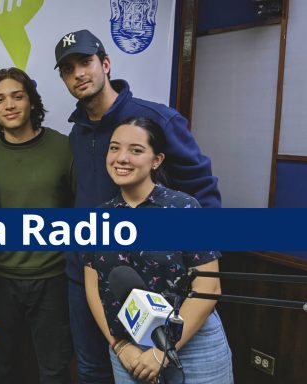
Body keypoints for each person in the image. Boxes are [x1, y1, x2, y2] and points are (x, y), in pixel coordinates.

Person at [53, 29, 222, 383]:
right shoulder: (77, 134)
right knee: (94, 368)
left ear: (106, 64)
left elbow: (202, 192)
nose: (79, 74)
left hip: (161, 282)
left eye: (86, 62)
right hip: (89, 274)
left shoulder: (156, 119)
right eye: (68, 69)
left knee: (165, 366)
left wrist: (201, 267)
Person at [84, 117, 233, 383]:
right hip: (129, 348)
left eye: (136, 150)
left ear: (157, 160)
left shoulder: (184, 208)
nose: (122, 158)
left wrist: (162, 351)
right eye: (115, 148)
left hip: (192, 344)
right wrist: (119, 345)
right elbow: (94, 288)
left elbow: (209, 289)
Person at [0, 67, 74, 384]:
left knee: (54, 368)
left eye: (17, 96)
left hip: (53, 278)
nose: (9, 105)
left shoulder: (63, 148)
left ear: (31, 101)